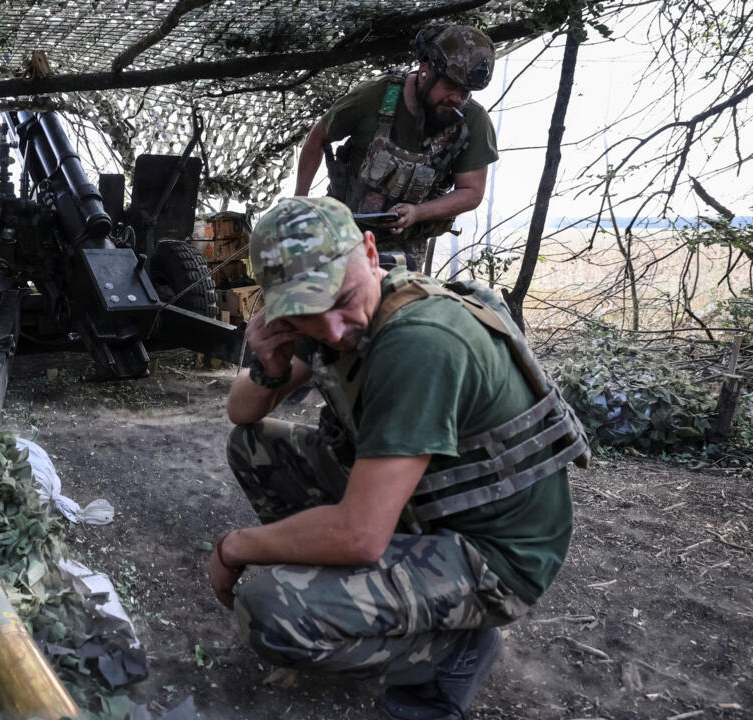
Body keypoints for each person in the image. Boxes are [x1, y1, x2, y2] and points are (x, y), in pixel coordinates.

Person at [209, 196, 588, 719]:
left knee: (270, 611)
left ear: (369, 251)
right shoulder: (348, 305)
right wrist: (271, 367)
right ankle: (366, 600)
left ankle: (452, 651)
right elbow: (240, 413)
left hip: (494, 554)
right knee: (255, 448)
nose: (335, 331)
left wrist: (236, 546)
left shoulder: (420, 342)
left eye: (340, 300)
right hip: (428, 511)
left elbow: (359, 535)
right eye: (308, 315)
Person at [293, 24, 498, 270]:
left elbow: (472, 191)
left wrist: (418, 212)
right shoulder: (376, 96)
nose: (457, 98)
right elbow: (318, 138)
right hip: (342, 232)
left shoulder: (472, 122)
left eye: (465, 92)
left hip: (404, 247)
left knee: (397, 305)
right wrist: (299, 204)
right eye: (451, 87)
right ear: (425, 71)